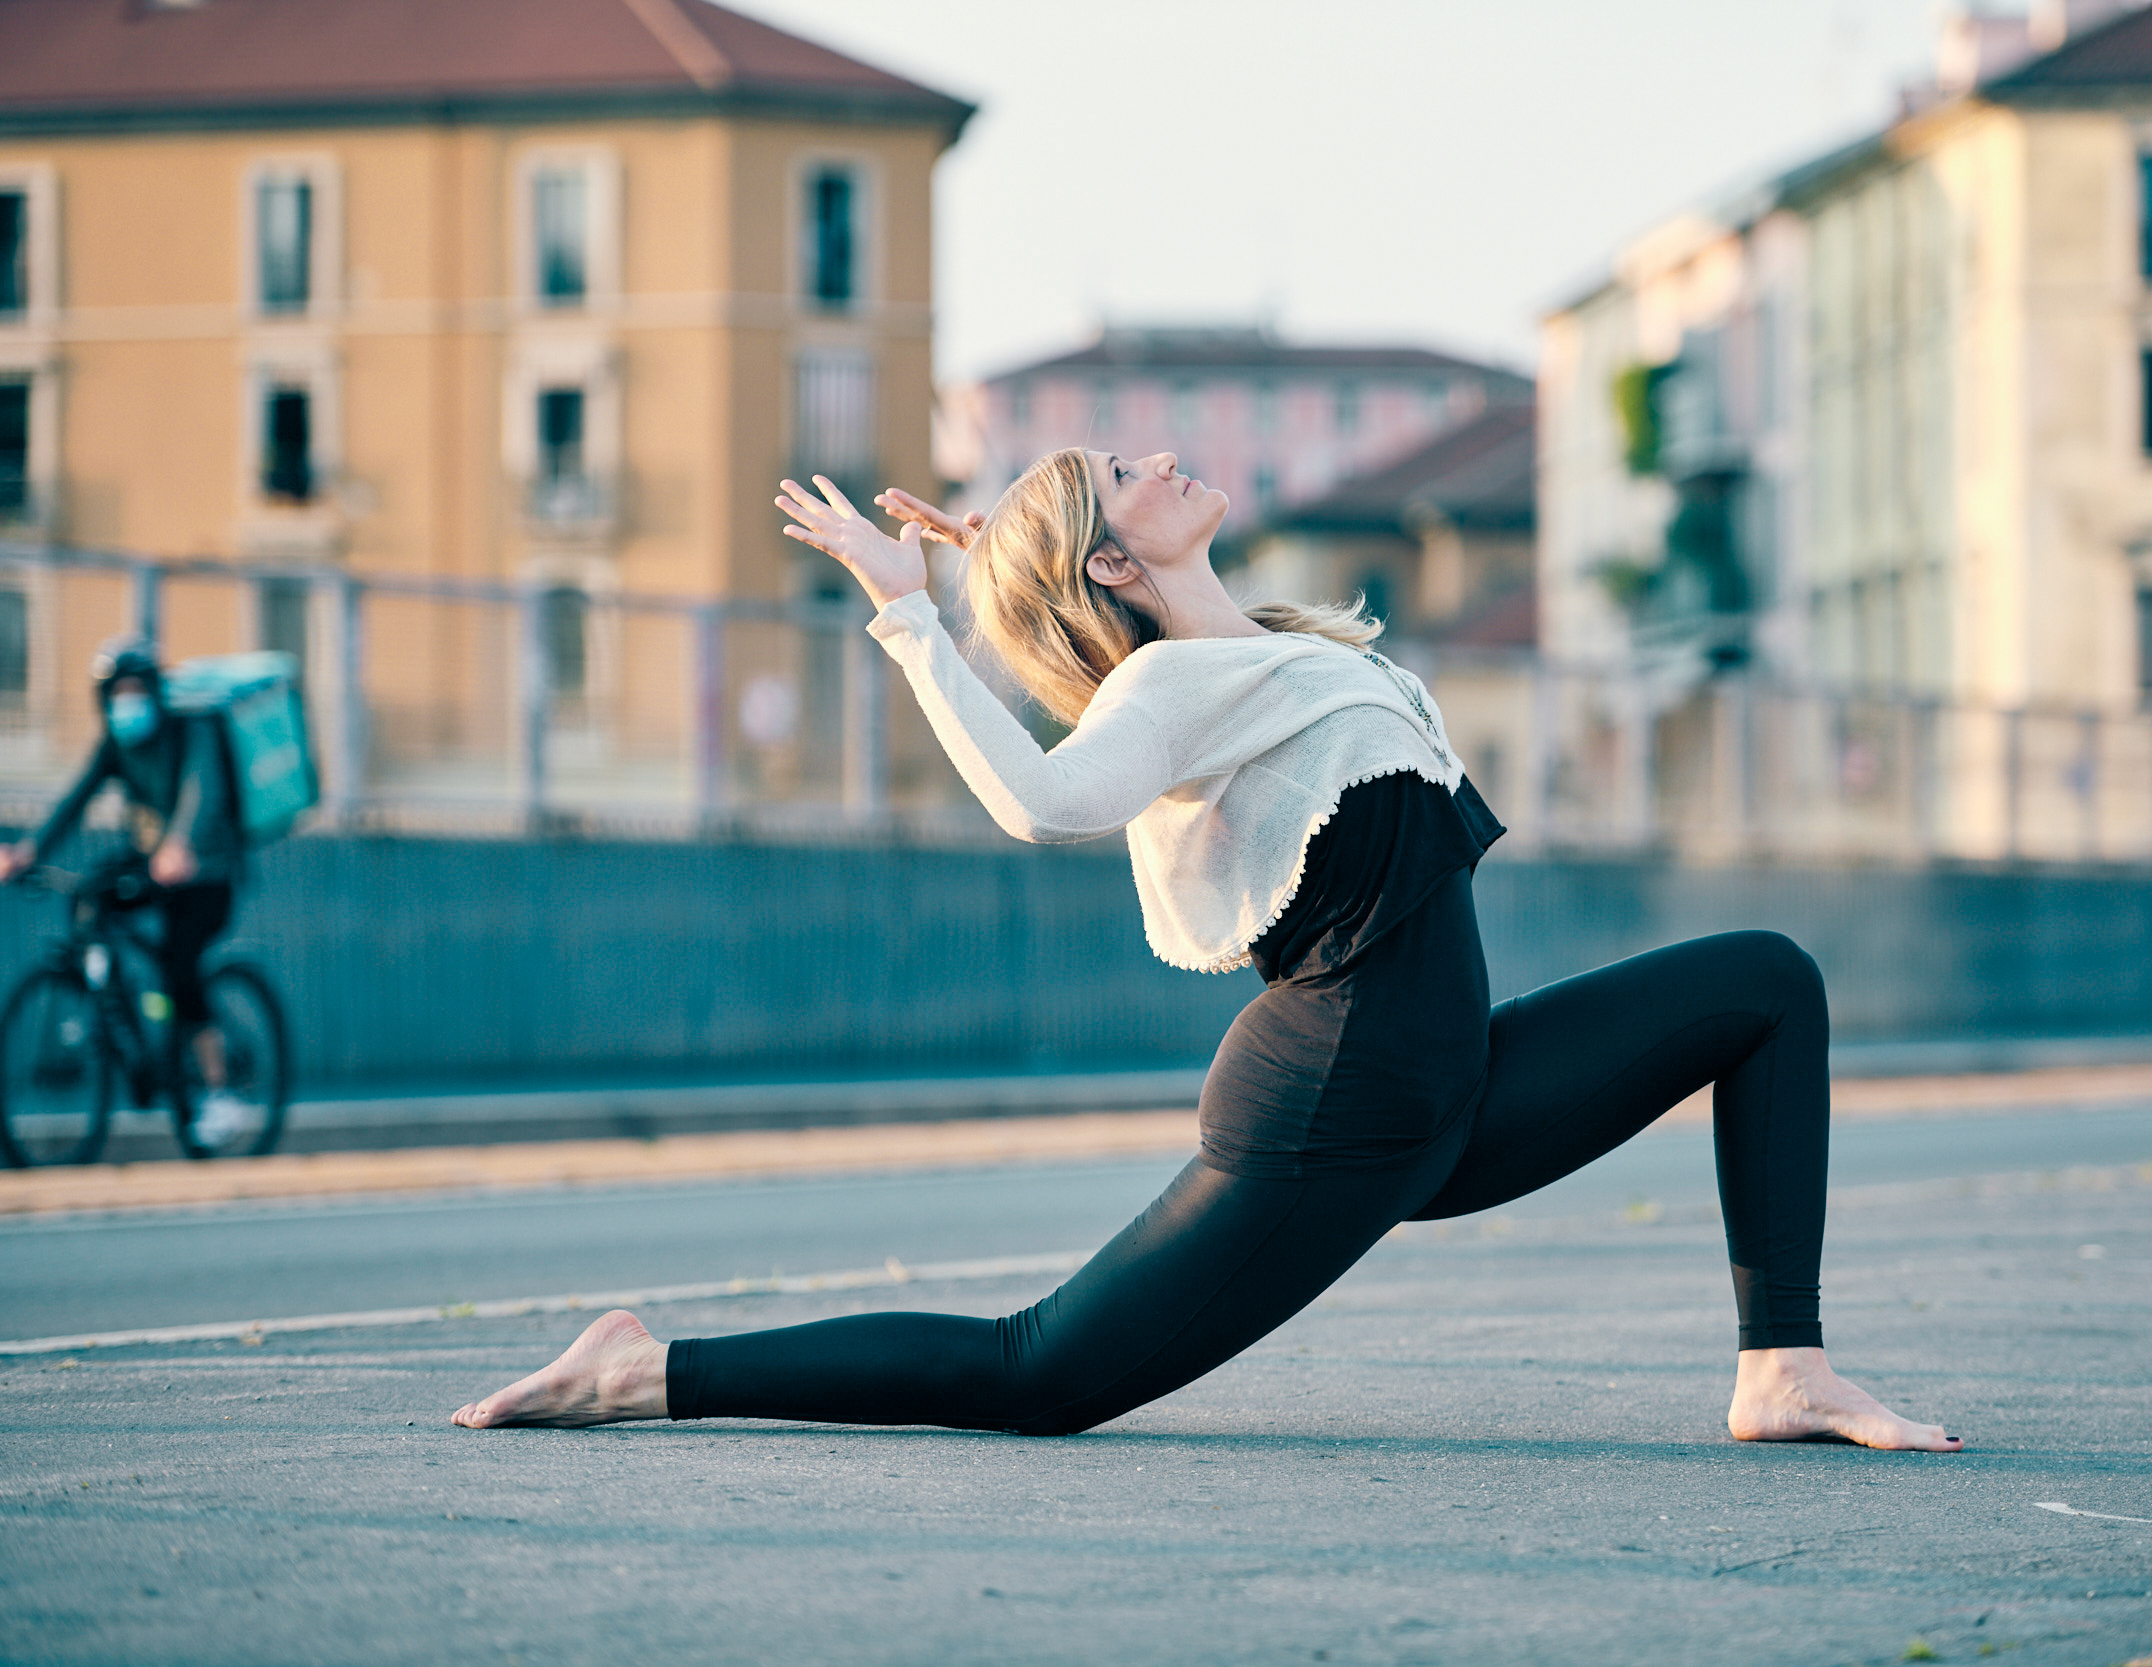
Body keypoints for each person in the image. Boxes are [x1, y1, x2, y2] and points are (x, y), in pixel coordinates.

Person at [453, 451, 1961, 1452]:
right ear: (1114, 562)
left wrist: (1022, 557)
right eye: (1129, 476)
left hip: (1452, 1093)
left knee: (1767, 980)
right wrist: (918, 619)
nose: (1164, 460)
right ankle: (644, 1365)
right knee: (1033, 1374)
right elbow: (1054, 795)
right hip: (1333, 1108)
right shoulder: (1172, 689)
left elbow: (1178, 650)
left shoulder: (1275, 650)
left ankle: (1784, 1365)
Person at [0, 638, 256, 1147]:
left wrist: (181, 843)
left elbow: (200, 792)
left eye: (137, 692)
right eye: (117, 694)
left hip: (207, 870)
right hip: (154, 861)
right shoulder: (116, 745)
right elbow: (76, 798)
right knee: (91, 897)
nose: (127, 703)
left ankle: (220, 1094)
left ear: (157, 694)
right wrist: (28, 850)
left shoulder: (193, 729)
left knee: (179, 967)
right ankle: (104, 1005)